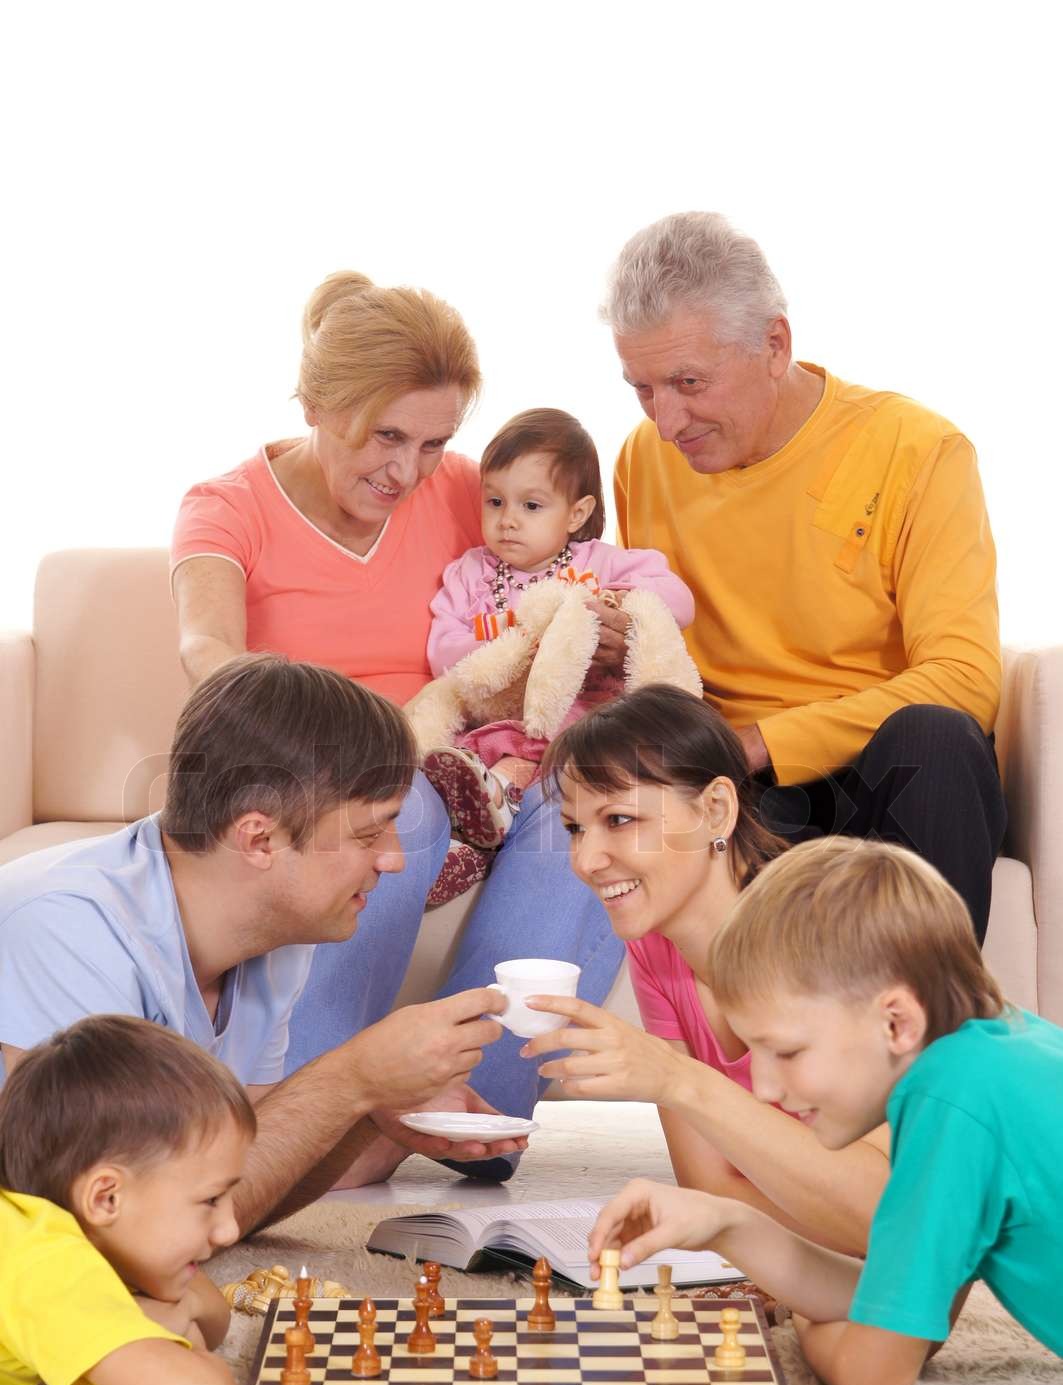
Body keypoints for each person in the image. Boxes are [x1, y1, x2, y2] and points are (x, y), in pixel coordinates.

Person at [170, 272, 625, 1169]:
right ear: (315, 401)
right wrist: (337, 729)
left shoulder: (457, 490)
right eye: (386, 435)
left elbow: (557, 566)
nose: (406, 471)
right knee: (400, 799)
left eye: (431, 443)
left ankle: (474, 1121)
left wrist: (597, 632)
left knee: (599, 799)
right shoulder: (227, 508)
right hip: (315, 767)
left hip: (473, 764)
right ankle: (312, 1134)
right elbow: (205, 649)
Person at [0, 654, 515, 1227]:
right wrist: (353, 1075)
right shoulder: (68, 928)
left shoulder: (276, 933)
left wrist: (373, 1108)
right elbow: (122, 1222)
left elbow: (241, 1182)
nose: (394, 860)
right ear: (260, 839)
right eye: (369, 833)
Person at [604, 212, 1007, 942]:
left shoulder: (917, 450)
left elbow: (964, 679)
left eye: (688, 382)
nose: (666, 420)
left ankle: (940, 1040)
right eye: (642, 388)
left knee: (937, 737)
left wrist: (762, 741)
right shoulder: (641, 458)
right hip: (736, 787)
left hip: (875, 768)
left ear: (773, 345)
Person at [587, 837, 1063, 1385]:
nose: (763, 1088)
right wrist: (727, 1224)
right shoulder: (989, 1053)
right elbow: (896, 1306)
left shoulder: (954, 1108)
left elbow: (875, 1375)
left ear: (896, 1023)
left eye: (785, 1052)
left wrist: (810, 1333)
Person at [519, 685, 890, 1257]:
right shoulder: (657, 945)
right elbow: (711, 1185)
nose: (586, 860)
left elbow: (893, 1220)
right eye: (575, 828)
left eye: (619, 819)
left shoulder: (823, 939)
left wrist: (674, 1077)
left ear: (715, 809)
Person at [418, 407, 695, 903]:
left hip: (579, 708)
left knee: (567, 735)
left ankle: (497, 796)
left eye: (532, 506)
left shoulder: (598, 562)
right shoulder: (471, 573)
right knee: (460, 749)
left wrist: (618, 613)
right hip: (499, 706)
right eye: (496, 501)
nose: (507, 521)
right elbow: (444, 650)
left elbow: (676, 600)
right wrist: (516, 650)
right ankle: (470, 843)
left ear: (576, 513)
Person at [0, 1014, 252, 1385]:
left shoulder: (77, 1230)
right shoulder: (45, 1265)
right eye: (210, 1200)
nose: (230, 1230)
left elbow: (211, 1308)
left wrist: (164, 1310)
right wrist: (182, 1342)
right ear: (106, 1198)